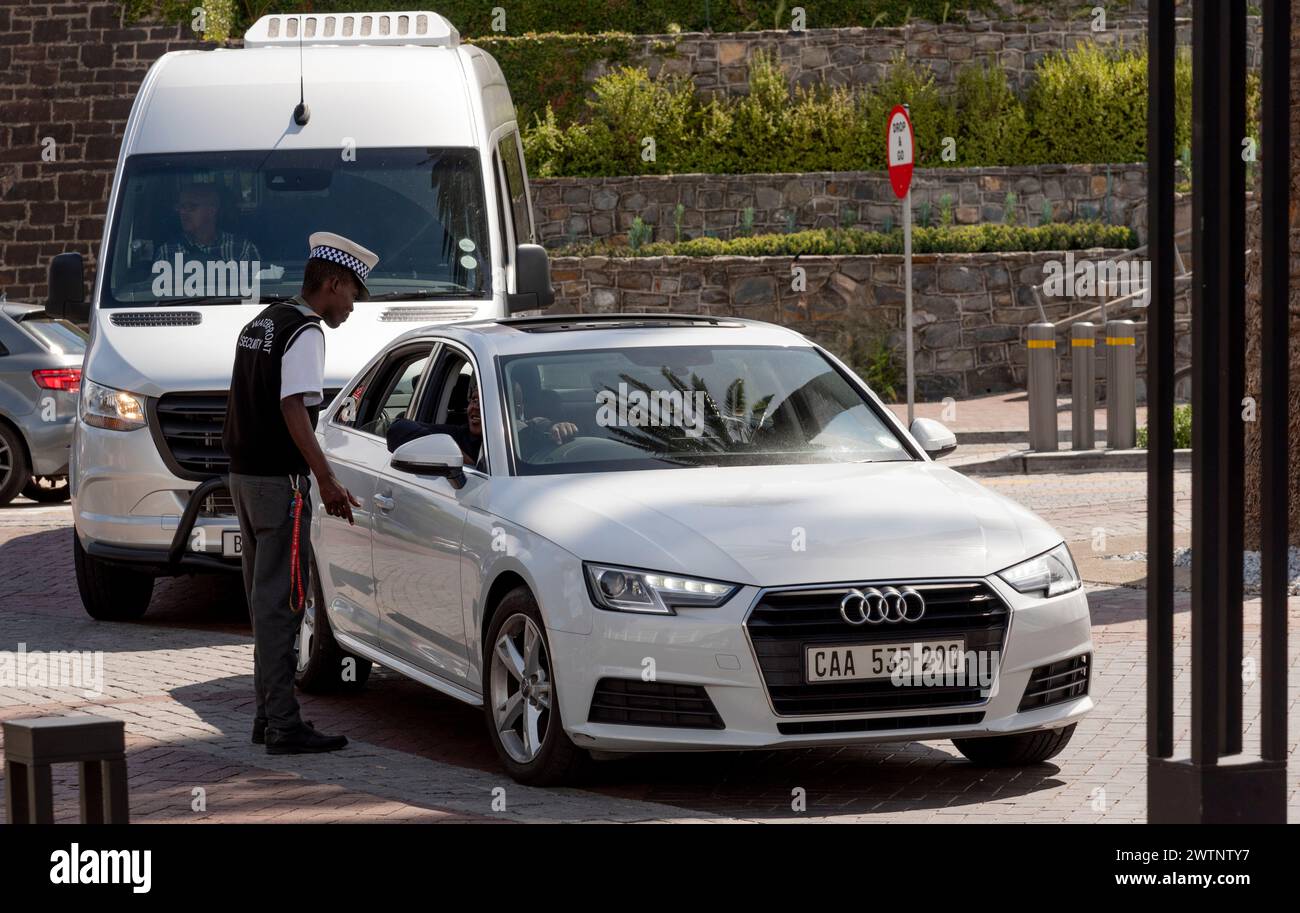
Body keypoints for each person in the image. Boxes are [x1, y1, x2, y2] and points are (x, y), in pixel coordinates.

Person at [223, 231, 376, 755]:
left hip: (244, 479)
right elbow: (293, 407)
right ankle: (284, 726)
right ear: (331, 283)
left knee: (263, 601)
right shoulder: (305, 332)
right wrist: (325, 478)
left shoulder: (264, 321)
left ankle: (267, 718)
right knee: (283, 604)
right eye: (352, 291)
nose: (353, 305)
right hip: (278, 484)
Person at [385, 381, 579, 461]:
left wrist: (559, 427)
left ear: (516, 409)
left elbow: (548, 431)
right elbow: (398, 428)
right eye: (474, 400)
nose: (476, 407)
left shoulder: (526, 435)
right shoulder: (458, 435)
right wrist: (456, 455)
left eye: (486, 401)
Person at [155, 181, 260, 266]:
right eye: (181, 207)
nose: (183, 212)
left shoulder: (241, 249)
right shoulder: (167, 253)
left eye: (191, 207)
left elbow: (257, 285)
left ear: (212, 210)